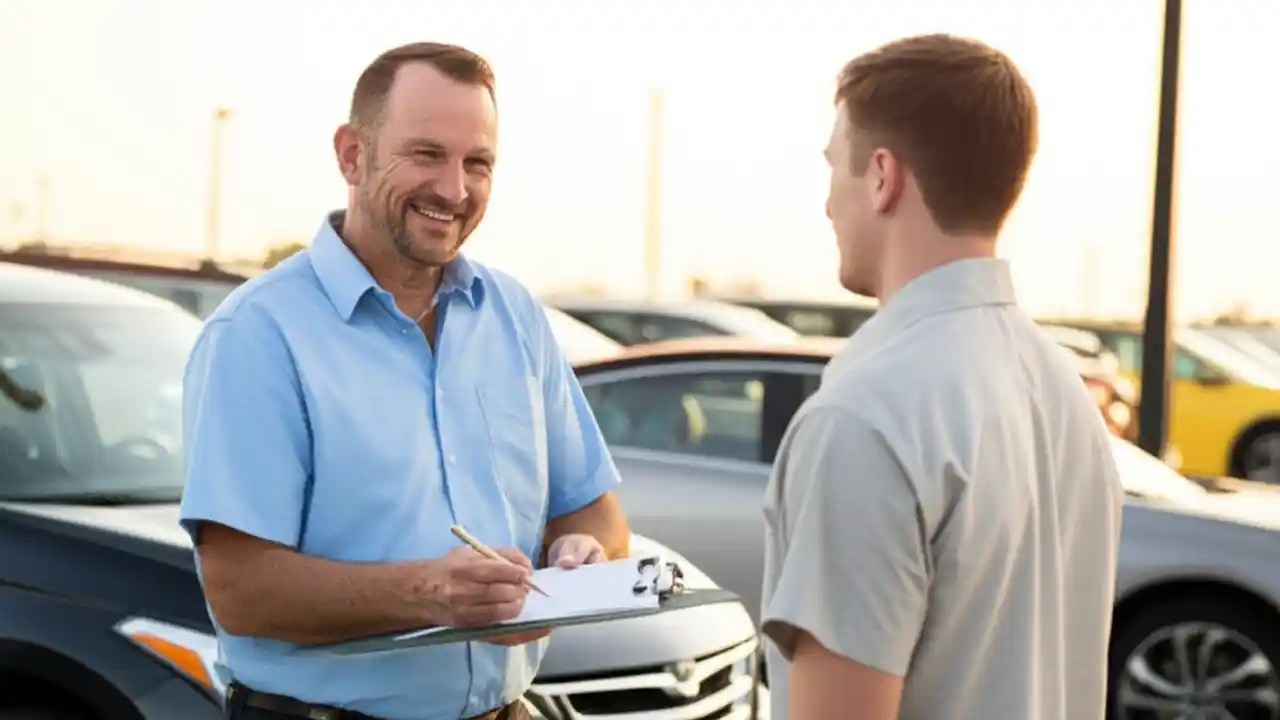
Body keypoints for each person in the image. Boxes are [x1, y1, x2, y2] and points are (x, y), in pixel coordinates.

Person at [178, 42, 631, 720]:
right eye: (427, 154)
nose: (455, 189)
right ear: (351, 155)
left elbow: (600, 516)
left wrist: (582, 559)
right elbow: (241, 591)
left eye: (478, 163)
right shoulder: (259, 333)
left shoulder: (516, 318)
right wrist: (429, 592)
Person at [759, 34, 1124, 720]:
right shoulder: (1064, 393)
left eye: (835, 167)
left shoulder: (866, 416)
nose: (827, 203)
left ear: (882, 176)